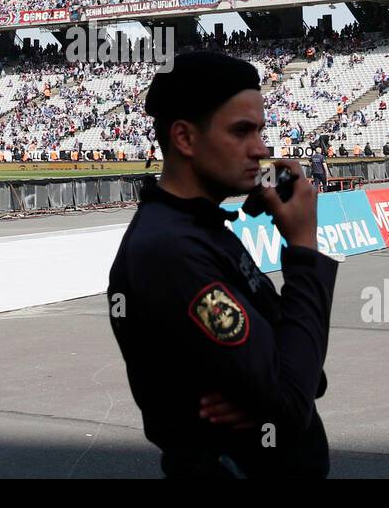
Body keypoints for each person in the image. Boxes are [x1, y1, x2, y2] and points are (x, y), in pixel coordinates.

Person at [106, 51, 337, 479]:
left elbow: (306, 378)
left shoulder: (201, 228)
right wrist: (303, 249)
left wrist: (284, 386)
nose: (262, 150)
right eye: (242, 131)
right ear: (185, 139)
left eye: (261, 130)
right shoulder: (172, 249)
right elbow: (289, 403)